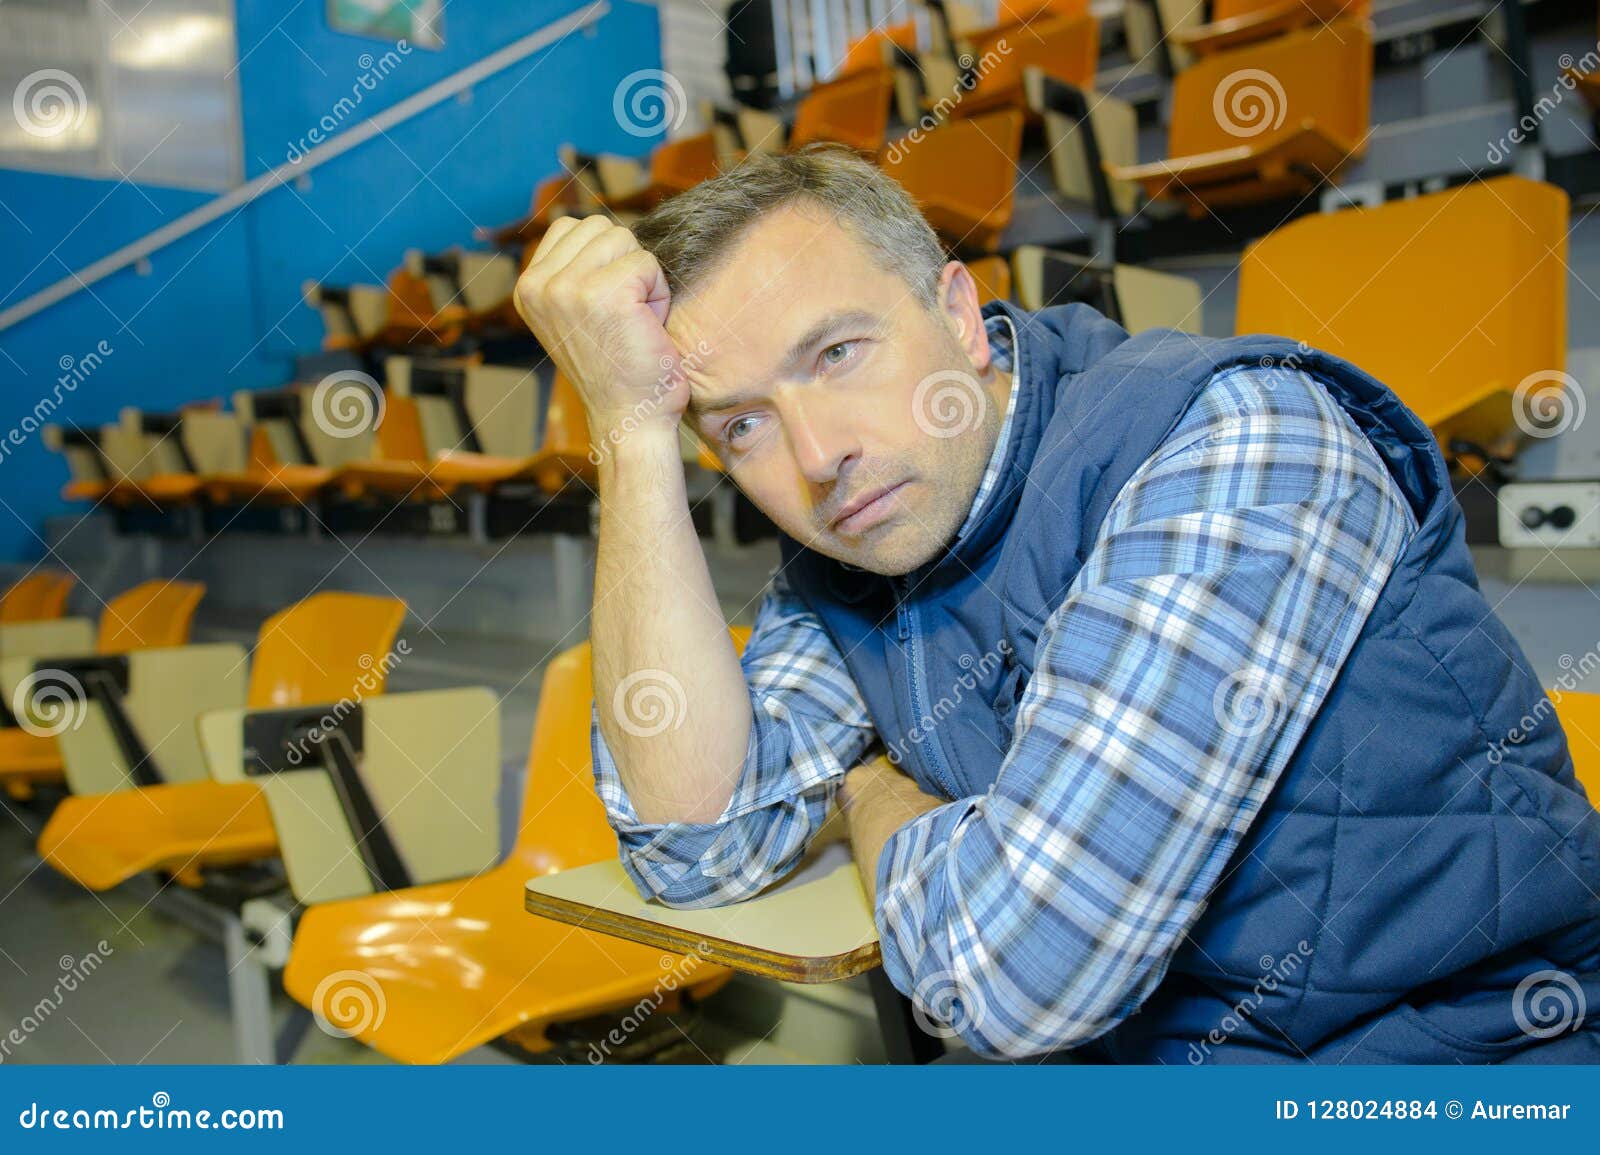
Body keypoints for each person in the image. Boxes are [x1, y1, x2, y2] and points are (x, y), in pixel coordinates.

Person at [513, 144, 1600, 1063]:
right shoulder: (861, 542)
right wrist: (631, 431)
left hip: (1447, 1056)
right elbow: (697, 848)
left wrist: (872, 796)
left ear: (958, 315)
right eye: (739, 423)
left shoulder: (1233, 442)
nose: (816, 454)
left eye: (838, 352)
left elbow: (1019, 979)